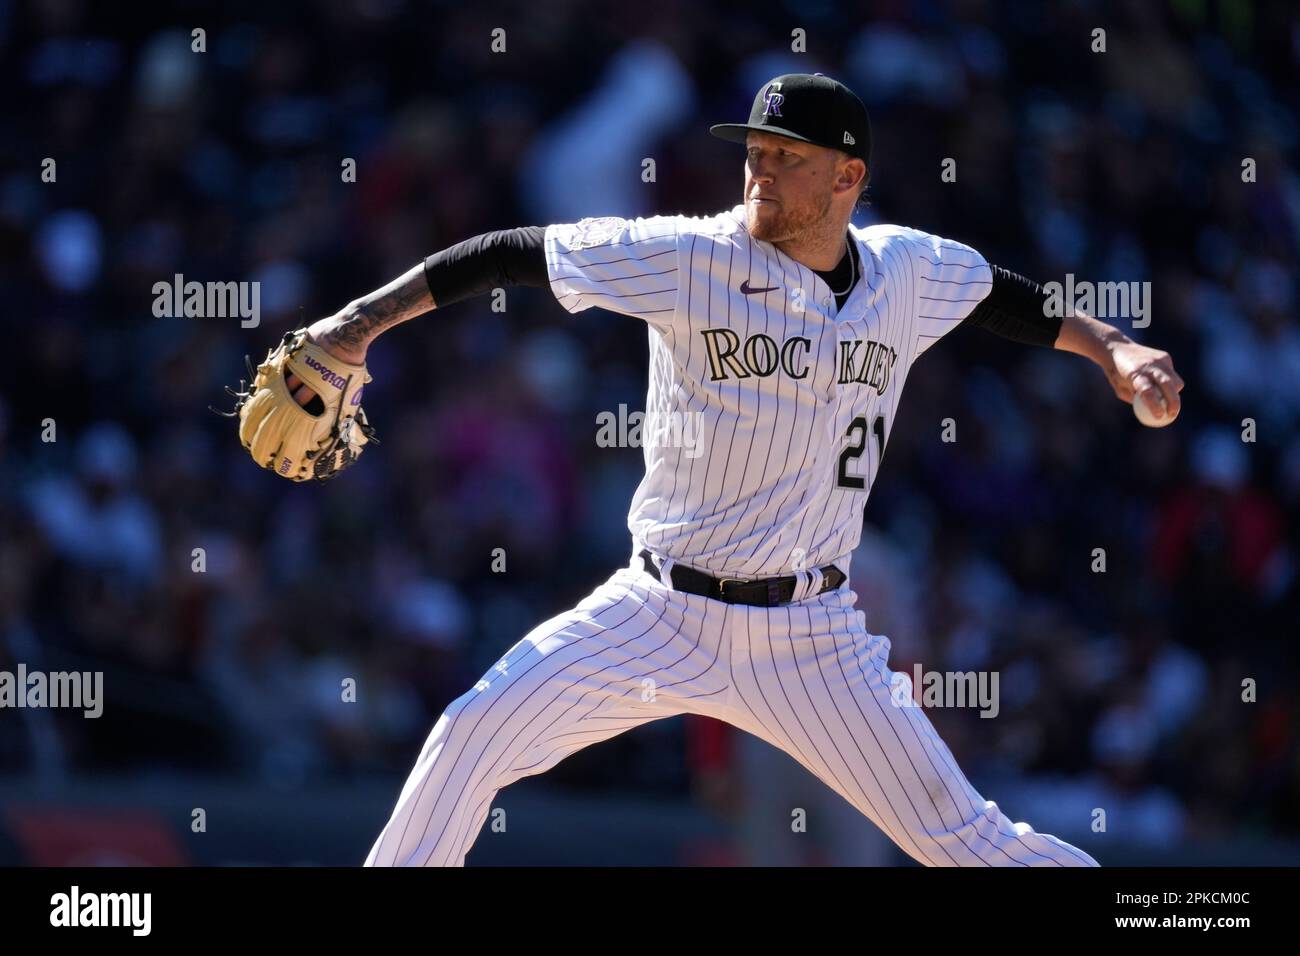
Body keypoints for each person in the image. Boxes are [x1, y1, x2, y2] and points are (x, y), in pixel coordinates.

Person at [283, 73, 1183, 866]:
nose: (759, 169)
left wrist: (1113, 349)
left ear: (847, 177)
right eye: (753, 149)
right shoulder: (690, 256)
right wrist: (358, 322)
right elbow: (514, 253)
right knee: (472, 734)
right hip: (656, 612)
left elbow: (1011, 301)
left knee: (965, 840)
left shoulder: (910, 270)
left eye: (787, 156)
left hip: (813, 637)